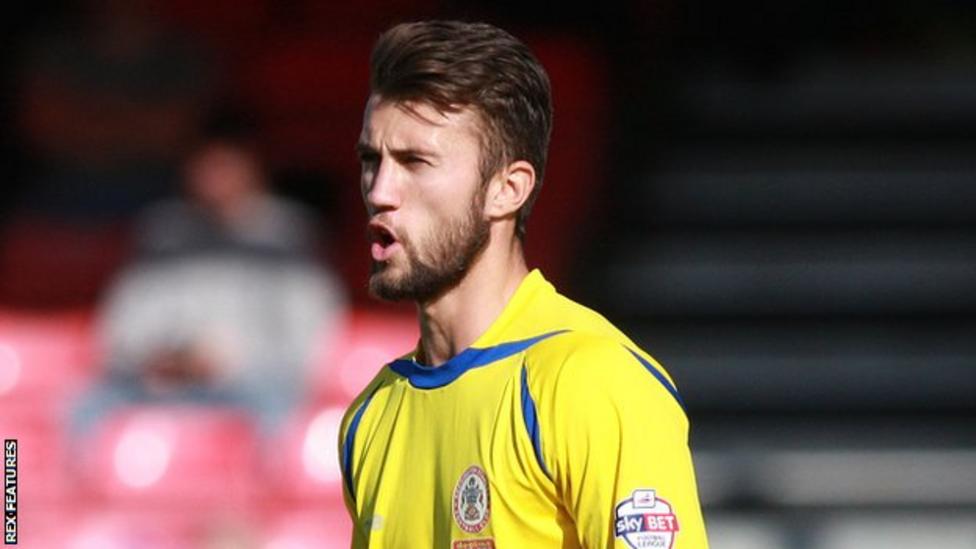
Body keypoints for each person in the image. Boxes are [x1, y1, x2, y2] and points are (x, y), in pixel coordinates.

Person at [339, 20, 708, 548]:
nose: (380, 190)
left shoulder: (589, 380)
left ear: (507, 190)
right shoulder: (370, 415)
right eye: (370, 161)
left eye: (415, 162)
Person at [72, 131, 345, 436]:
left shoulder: (289, 235)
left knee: (280, 407)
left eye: (227, 165)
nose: (216, 178)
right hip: (163, 382)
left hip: (252, 385)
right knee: (86, 405)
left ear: (254, 169)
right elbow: (119, 330)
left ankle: (268, 485)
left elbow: (308, 344)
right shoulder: (162, 232)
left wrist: (230, 360)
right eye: (207, 166)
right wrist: (166, 357)